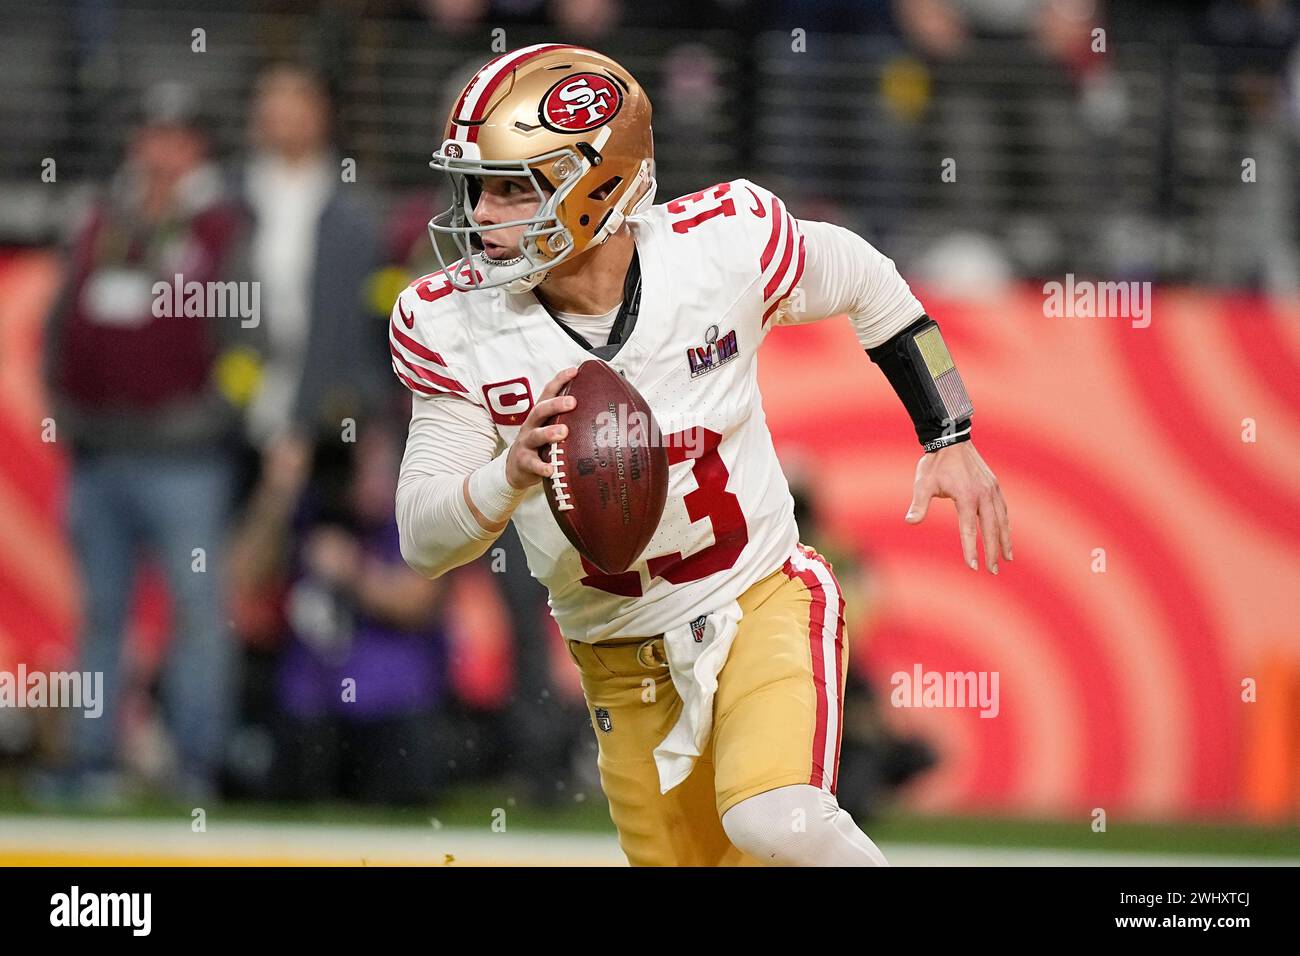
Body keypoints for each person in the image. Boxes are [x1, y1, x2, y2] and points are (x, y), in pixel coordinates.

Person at [391, 44, 1013, 866]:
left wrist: (950, 431)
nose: (483, 216)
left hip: (758, 597)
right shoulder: (450, 323)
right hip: (618, 657)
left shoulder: (719, 247)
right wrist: (505, 475)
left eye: (515, 187)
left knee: (774, 819)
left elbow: (867, 277)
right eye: (478, 187)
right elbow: (422, 540)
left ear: (598, 184)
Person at [42, 81, 258, 801]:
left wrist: (211, 418)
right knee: (100, 617)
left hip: (185, 462)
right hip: (98, 453)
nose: (162, 149)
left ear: (198, 146)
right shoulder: (103, 217)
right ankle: (92, 763)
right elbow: (59, 327)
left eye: (177, 135)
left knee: (198, 615)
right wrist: (67, 411)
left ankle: (196, 768)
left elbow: (251, 342)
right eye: (151, 134)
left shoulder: (223, 227)